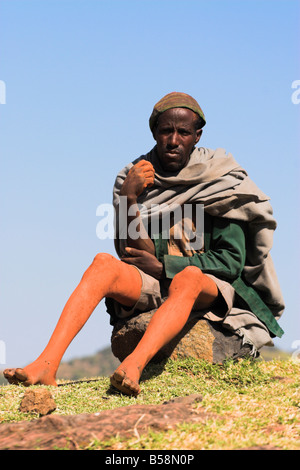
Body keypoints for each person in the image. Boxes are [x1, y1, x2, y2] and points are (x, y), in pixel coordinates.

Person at [4, 92, 285, 396]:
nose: (173, 140)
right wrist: (129, 197)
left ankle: (134, 366)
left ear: (197, 136)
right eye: (166, 131)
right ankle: (46, 364)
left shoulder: (220, 179)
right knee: (102, 264)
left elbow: (230, 262)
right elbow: (132, 252)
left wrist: (166, 266)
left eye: (184, 132)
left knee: (188, 277)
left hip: (208, 288)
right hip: (156, 283)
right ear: (154, 132)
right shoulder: (134, 175)